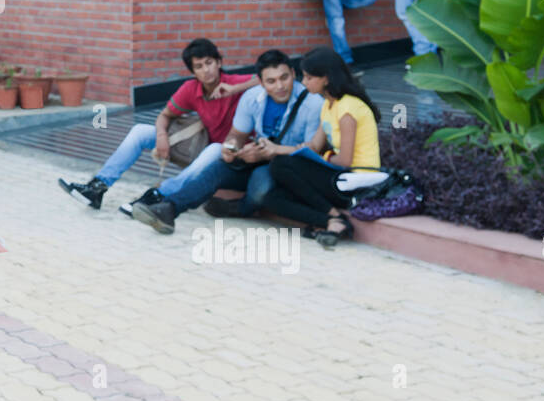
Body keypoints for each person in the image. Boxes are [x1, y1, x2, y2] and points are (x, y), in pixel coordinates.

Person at [130, 50, 323, 233]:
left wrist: (274, 151)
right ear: (262, 83)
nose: (280, 86)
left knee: (260, 186)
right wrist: (231, 149)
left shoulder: (313, 103)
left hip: (288, 167)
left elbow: (312, 152)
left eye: (284, 78)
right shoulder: (251, 97)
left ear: (293, 73)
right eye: (271, 81)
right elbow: (236, 135)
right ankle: (169, 209)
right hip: (257, 158)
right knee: (216, 169)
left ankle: (240, 208)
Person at [57, 38, 257, 214]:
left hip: (231, 155)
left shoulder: (233, 81)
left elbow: (268, 78)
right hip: (200, 149)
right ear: (193, 71)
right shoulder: (191, 88)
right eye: (199, 66)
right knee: (140, 131)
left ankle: (158, 194)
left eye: (209, 63)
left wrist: (234, 89)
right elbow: (164, 115)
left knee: (215, 149)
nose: (206, 70)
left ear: (219, 62)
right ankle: (97, 187)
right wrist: (161, 136)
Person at [264, 46, 382, 249]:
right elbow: (314, 146)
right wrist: (277, 148)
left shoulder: (348, 108)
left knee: (280, 165)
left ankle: (333, 218)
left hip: (358, 181)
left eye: (309, 77)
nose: (304, 82)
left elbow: (344, 160)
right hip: (340, 176)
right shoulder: (328, 106)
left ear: (326, 78)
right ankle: (332, 222)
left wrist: (321, 157)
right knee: (272, 198)